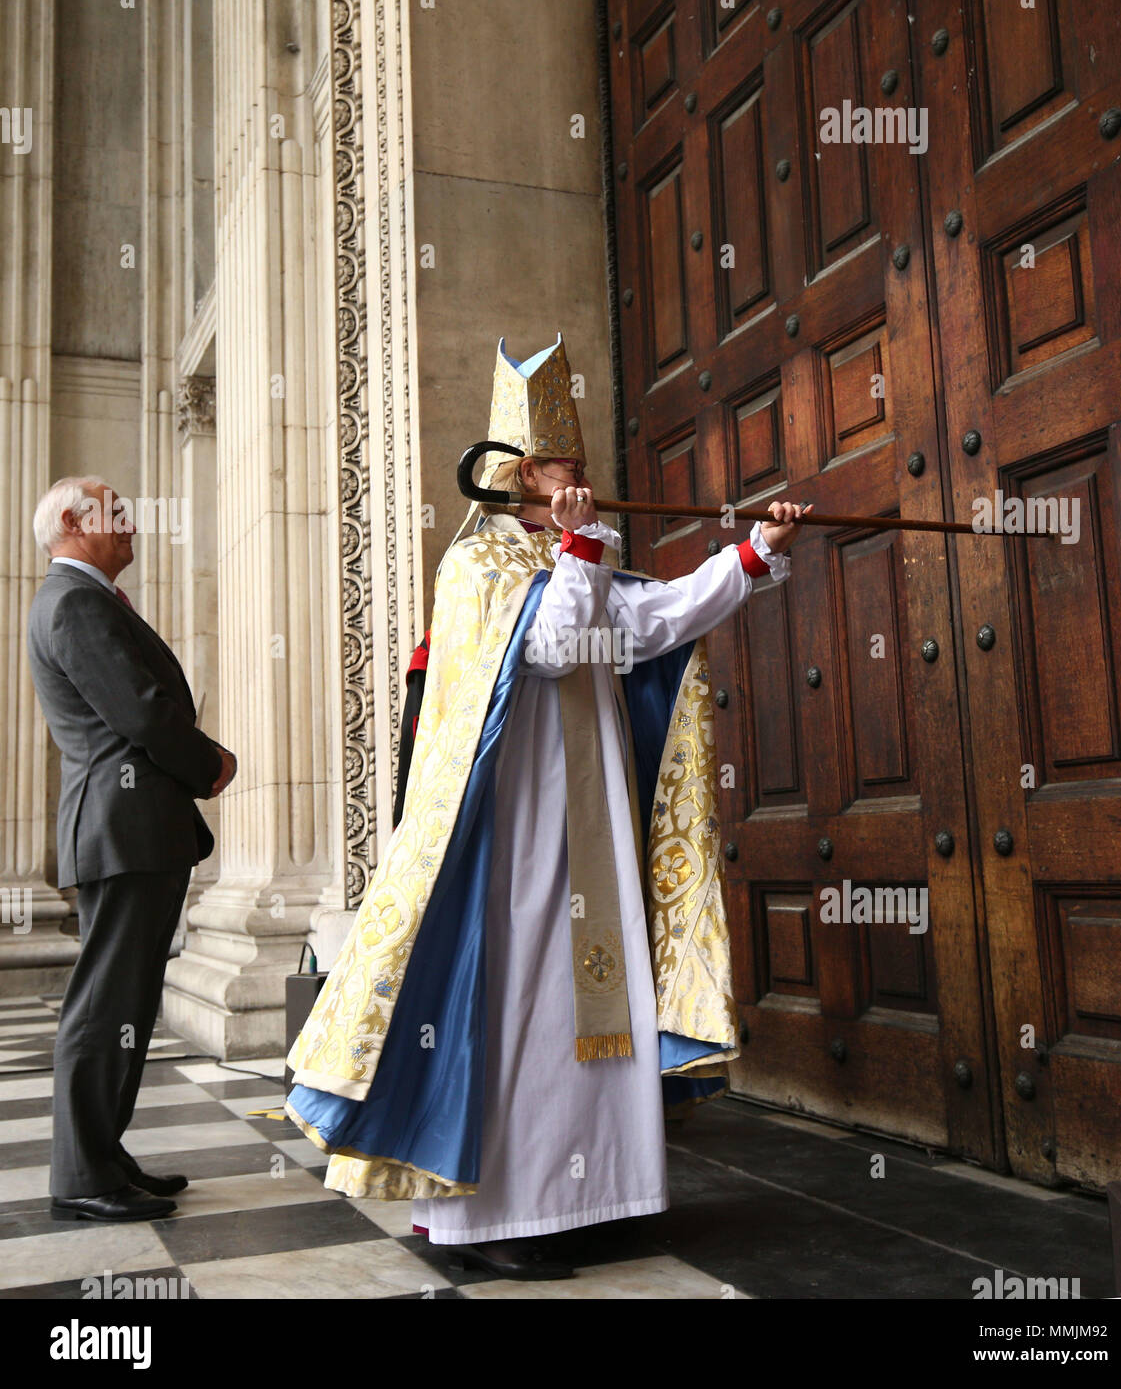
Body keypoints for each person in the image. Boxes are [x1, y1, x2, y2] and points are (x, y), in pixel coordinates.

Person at [286, 335, 807, 1278]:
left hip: (588, 815)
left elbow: (649, 622)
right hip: (517, 828)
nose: (580, 485)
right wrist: (576, 550)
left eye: (578, 472)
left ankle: (585, 1197)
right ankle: (500, 1217)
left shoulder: (570, 552)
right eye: (562, 472)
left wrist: (751, 556)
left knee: (590, 996)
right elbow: (558, 646)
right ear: (521, 477)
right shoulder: (477, 565)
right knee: (522, 996)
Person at [27, 476, 237, 1223]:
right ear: (75, 522)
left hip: (134, 827)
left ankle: (104, 1156)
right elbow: (141, 716)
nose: (132, 522)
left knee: (128, 1001)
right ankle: (83, 1174)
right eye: (116, 511)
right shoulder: (75, 603)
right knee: (104, 1002)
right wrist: (211, 763)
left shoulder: (82, 599)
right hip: (120, 827)